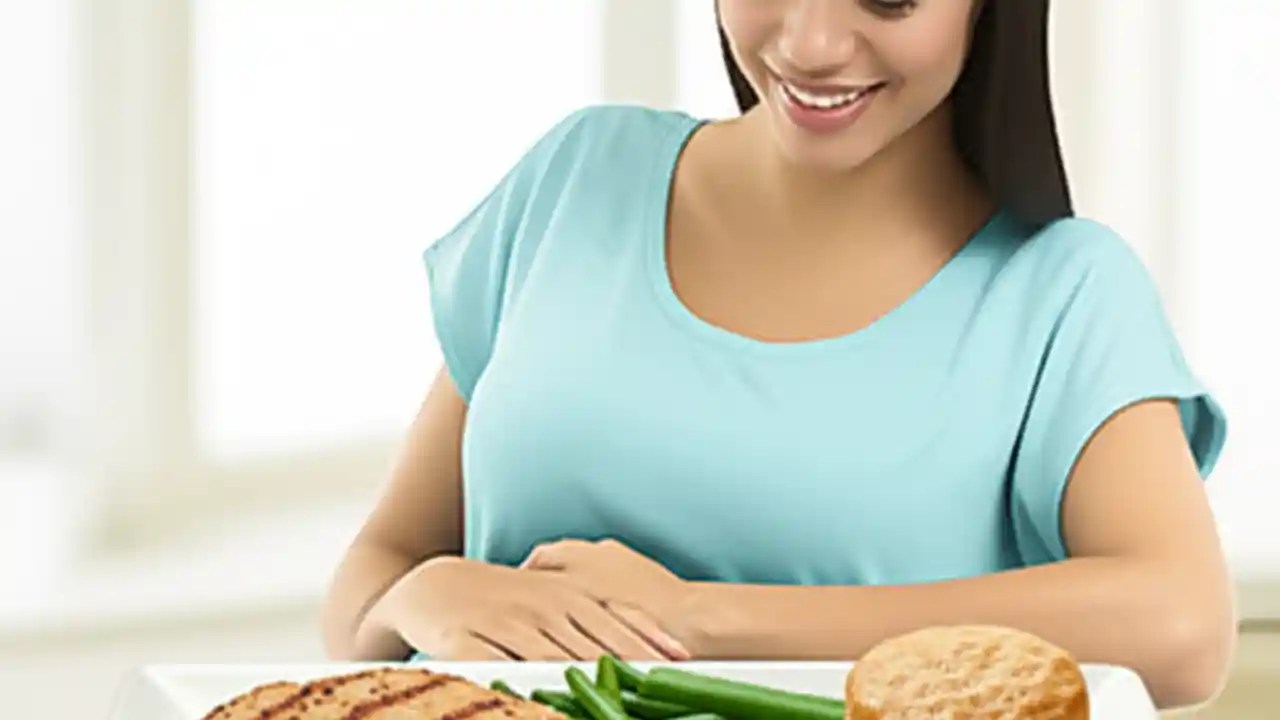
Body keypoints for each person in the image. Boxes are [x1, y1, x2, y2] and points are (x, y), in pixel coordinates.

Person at [321, 0, 1234, 709]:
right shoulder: (577, 180)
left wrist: (698, 622)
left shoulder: (1060, 292)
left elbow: (1183, 627)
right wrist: (425, 594)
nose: (810, 45)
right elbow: (374, 578)